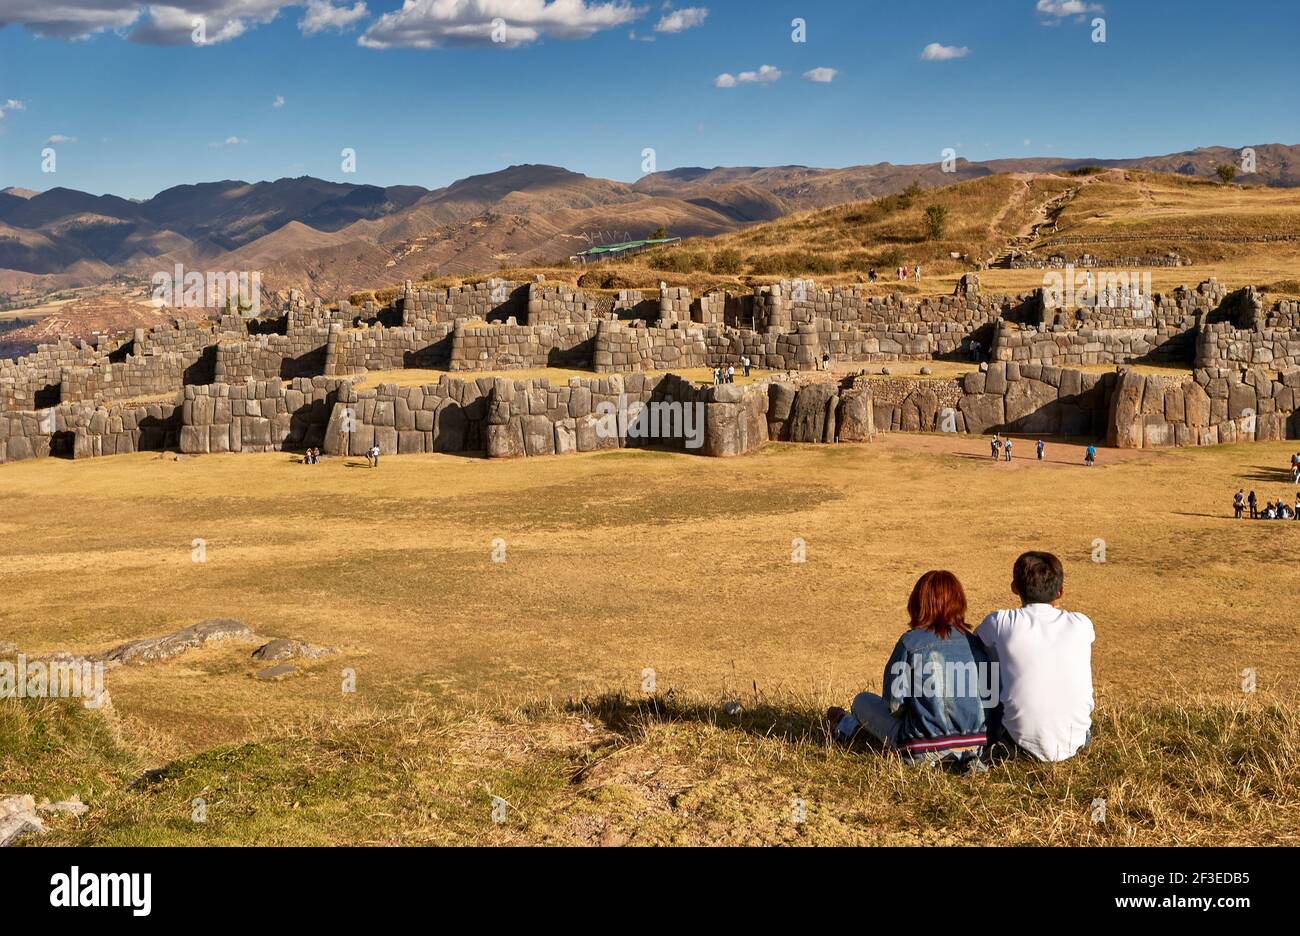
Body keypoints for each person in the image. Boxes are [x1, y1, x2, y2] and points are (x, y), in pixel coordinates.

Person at [826, 571, 994, 766]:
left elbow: (894, 705)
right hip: (976, 748)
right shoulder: (976, 643)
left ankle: (847, 727)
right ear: (959, 602)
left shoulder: (910, 643)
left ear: (917, 602)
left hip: (924, 750)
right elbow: (991, 701)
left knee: (861, 701)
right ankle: (854, 730)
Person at [977, 552, 1094, 762]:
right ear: (1060, 592)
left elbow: (977, 644)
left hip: (1018, 741)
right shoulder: (1082, 623)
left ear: (1014, 588)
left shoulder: (1001, 622)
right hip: (1075, 740)